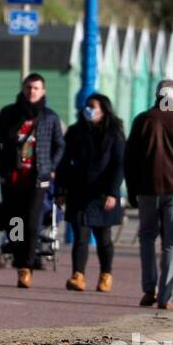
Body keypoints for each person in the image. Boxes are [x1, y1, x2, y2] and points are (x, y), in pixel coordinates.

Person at [123, 79, 173, 309]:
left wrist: (131, 190)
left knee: (147, 237)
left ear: (157, 95)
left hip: (147, 189)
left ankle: (149, 288)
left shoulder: (143, 120)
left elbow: (129, 159)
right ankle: (166, 296)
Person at [0, 73, 65, 289]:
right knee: (14, 222)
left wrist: (51, 167)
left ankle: (26, 267)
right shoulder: (9, 114)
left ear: (43, 91)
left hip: (37, 178)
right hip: (12, 178)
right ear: (23, 89)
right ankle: (18, 255)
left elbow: (60, 145)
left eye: (36, 88)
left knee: (31, 222)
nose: (32, 91)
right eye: (29, 87)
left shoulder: (49, 117)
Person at [57, 93, 125, 294]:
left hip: (103, 194)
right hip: (79, 192)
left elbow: (119, 165)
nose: (89, 109)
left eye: (93, 106)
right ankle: (78, 275)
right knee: (80, 236)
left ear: (103, 110)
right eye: (87, 106)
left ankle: (106, 274)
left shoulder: (115, 134)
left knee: (104, 238)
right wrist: (61, 190)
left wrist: (112, 192)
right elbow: (63, 163)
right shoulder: (75, 132)